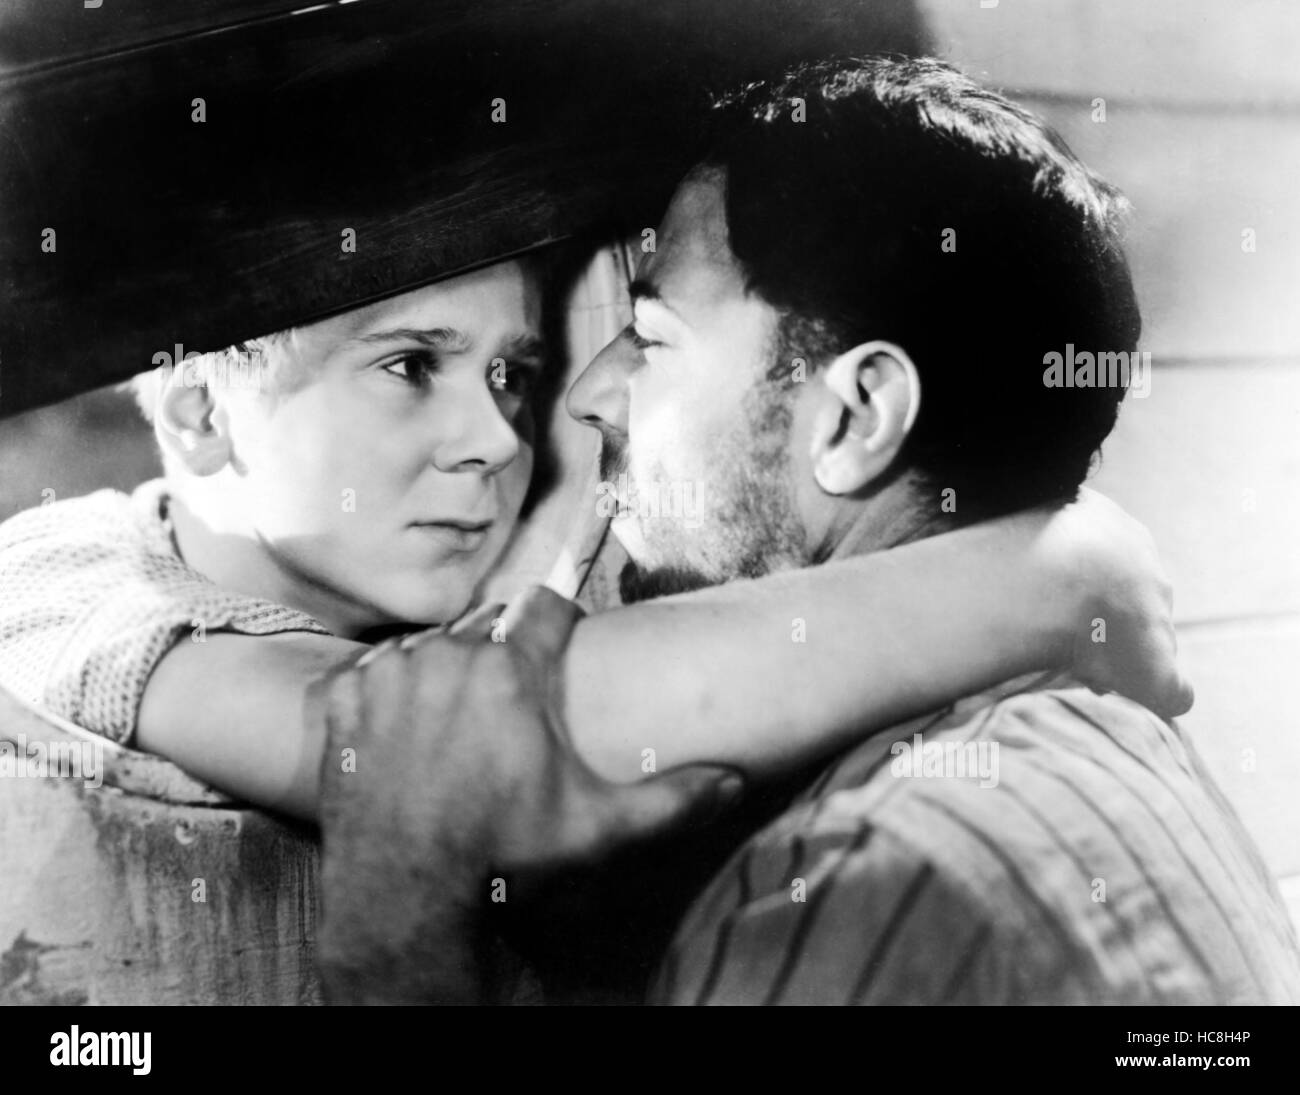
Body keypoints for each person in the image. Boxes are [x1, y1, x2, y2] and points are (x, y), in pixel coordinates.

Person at [312, 56, 1300, 1005]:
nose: (588, 393)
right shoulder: (1100, 735)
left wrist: (394, 936)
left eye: (653, 339)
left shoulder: (848, 882)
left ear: (856, 414)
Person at [0, 252, 1181, 819]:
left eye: (511, 374)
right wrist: (1052, 575)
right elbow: (456, 750)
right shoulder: (66, 592)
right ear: (204, 417)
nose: (499, 439)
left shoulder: (447, 593)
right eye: (410, 367)